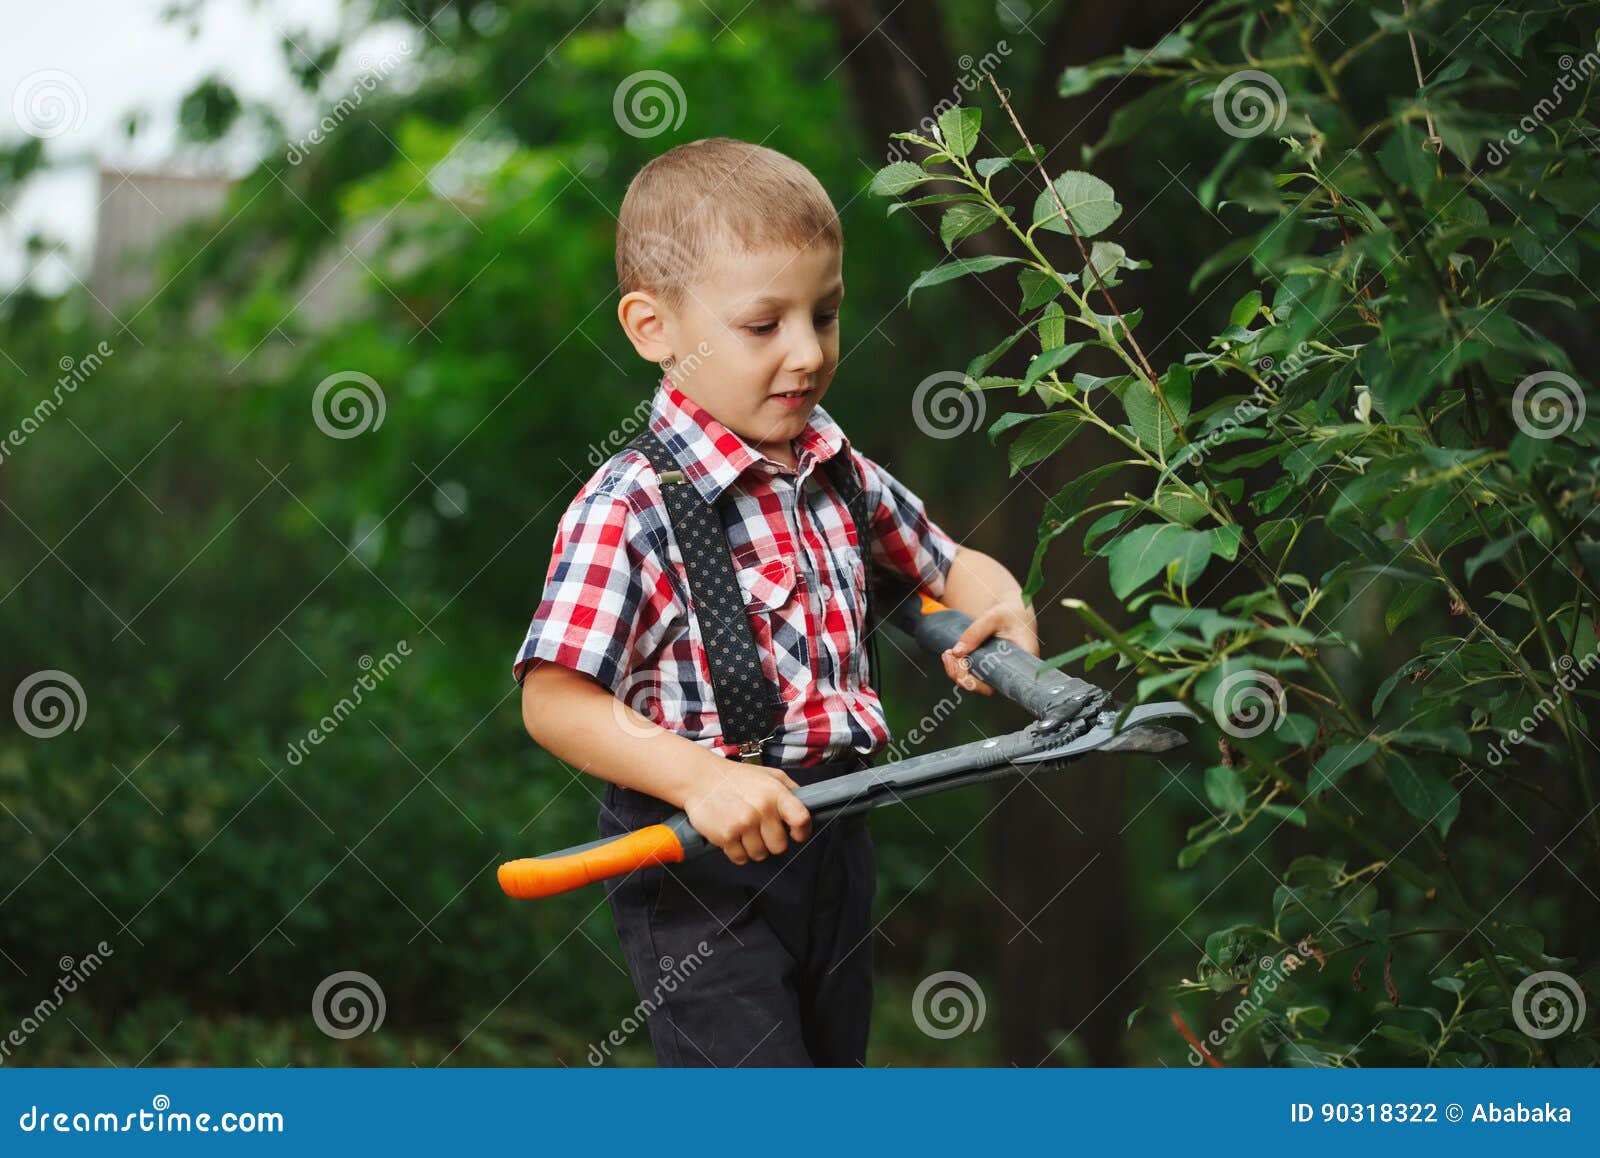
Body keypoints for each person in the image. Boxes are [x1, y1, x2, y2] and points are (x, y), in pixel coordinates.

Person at [513, 137, 1038, 1066]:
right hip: (699, 868)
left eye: (826, 315)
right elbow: (554, 699)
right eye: (765, 325)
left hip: (837, 838)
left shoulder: (842, 473)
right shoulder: (629, 507)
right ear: (654, 329)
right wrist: (702, 780)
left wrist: (1005, 610)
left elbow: (955, 568)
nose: (809, 351)